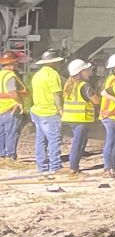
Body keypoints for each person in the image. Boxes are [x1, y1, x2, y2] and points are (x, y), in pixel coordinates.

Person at [29, 49, 66, 180]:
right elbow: (56, 94)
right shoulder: (53, 74)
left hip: (37, 111)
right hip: (50, 112)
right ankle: (55, 166)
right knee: (54, 140)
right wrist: (61, 110)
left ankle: (42, 167)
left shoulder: (37, 75)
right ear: (53, 62)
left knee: (41, 141)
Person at [62, 58, 101, 179]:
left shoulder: (69, 84)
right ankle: (73, 170)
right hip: (81, 118)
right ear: (80, 72)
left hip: (70, 118)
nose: (89, 71)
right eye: (86, 69)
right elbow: (96, 100)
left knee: (78, 143)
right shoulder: (84, 85)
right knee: (78, 144)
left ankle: (74, 167)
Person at [97, 53, 115, 177]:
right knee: (111, 142)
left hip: (111, 114)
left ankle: (110, 167)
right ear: (114, 68)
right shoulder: (114, 80)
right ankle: (108, 168)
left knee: (112, 141)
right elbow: (105, 93)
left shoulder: (113, 78)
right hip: (110, 114)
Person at [0, 50, 27, 165]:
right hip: (12, 108)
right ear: (12, 64)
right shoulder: (10, 76)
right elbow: (12, 92)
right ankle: (10, 156)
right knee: (12, 132)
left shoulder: (1, 74)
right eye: (16, 62)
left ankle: (2, 155)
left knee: (2, 133)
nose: (18, 64)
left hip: (2, 108)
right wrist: (20, 102)